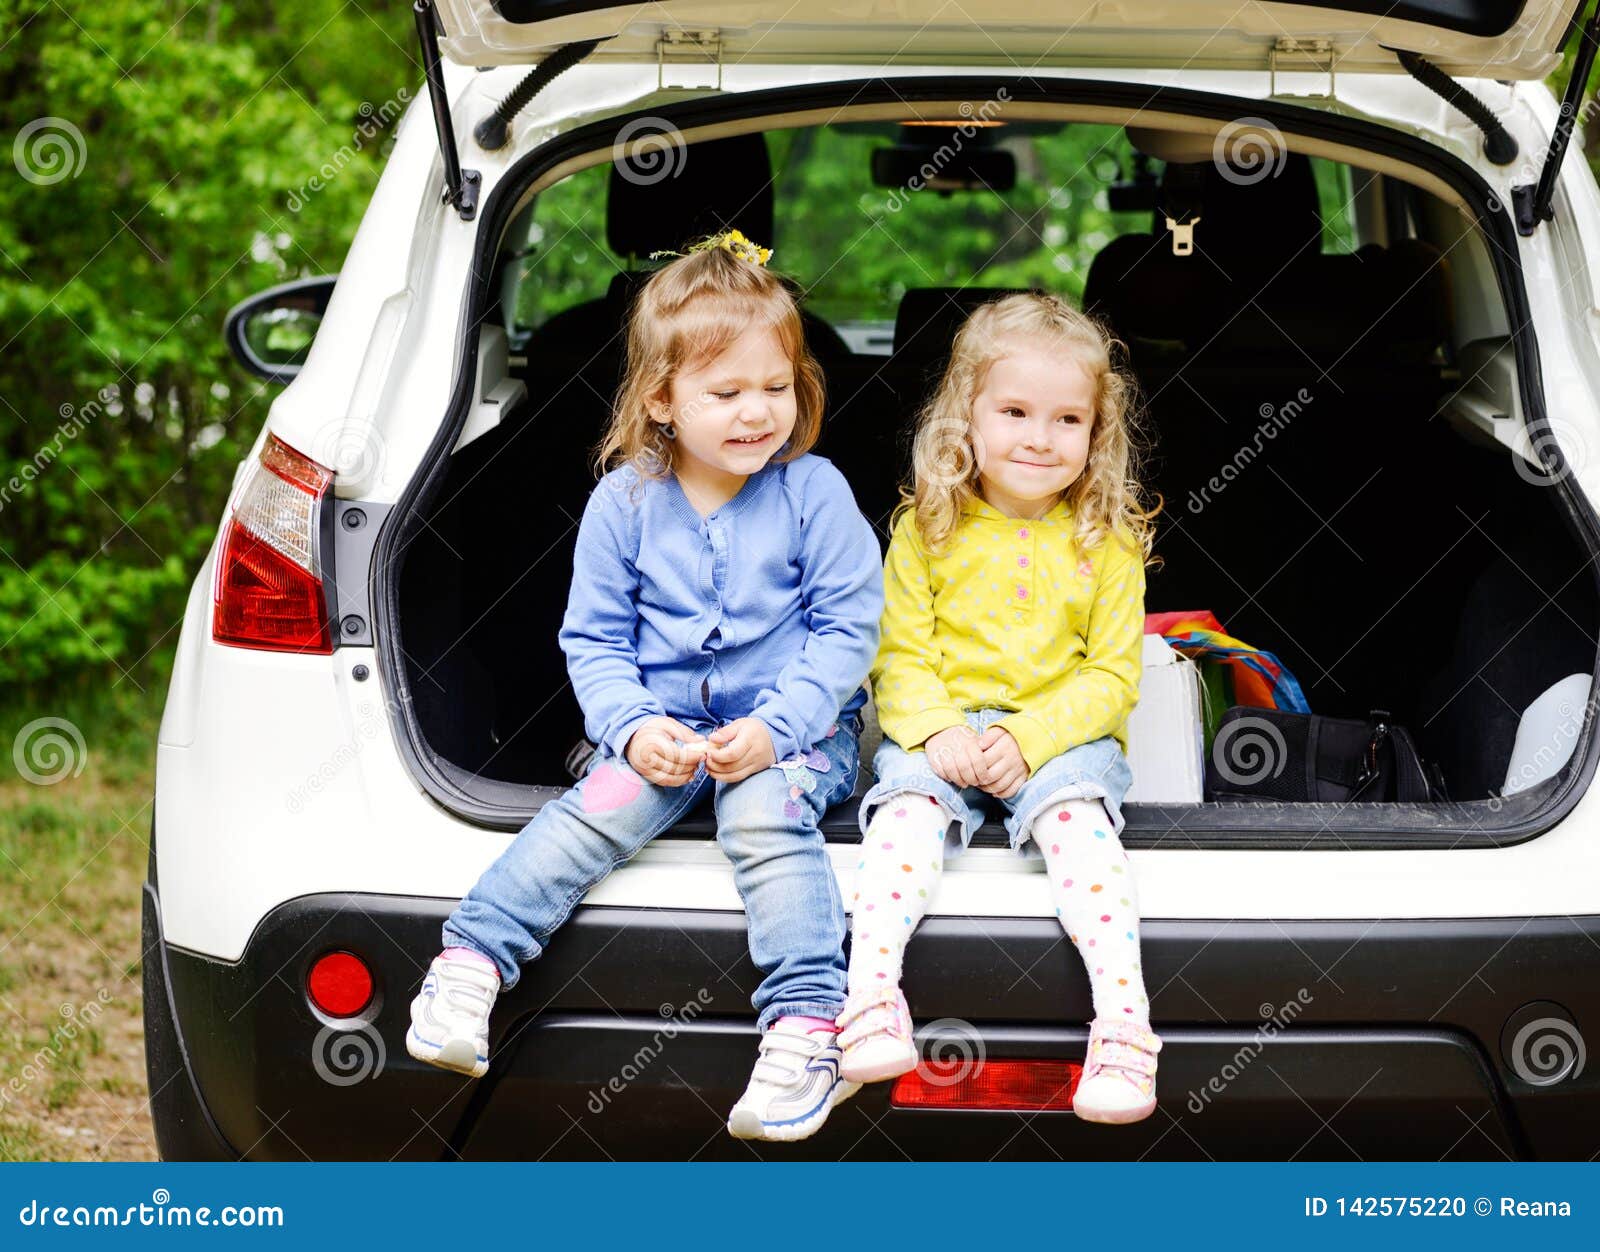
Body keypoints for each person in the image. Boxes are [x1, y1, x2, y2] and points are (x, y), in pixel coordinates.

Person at [406, 229, 884, 1143]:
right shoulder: (624, 501)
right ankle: (472, 961)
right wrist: (628, 728)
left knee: (763, 819)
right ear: (661, 400)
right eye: (727, 392)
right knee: (596, 810)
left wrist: (778, 729)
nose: (757, 414)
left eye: (776, 389)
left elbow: (848, 629)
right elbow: (593, 638)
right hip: (661, 727)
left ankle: (805, 1028)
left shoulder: (814, 493)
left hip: (794, 735)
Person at [838, 292, 1164, 1124]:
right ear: (966, 420)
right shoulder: (925, 529)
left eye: (1067, 420)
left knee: (1080, 836)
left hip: (1061, 735)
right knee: (901, 821)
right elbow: (900, 654)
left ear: (1097, 433)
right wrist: (941, 730)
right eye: (1014, 411)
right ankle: (871, 1000)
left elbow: (1111, 677)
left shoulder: (1107, 539)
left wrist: (1031, 736)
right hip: (941, 728)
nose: (1038, 438)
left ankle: (1125, 1031)